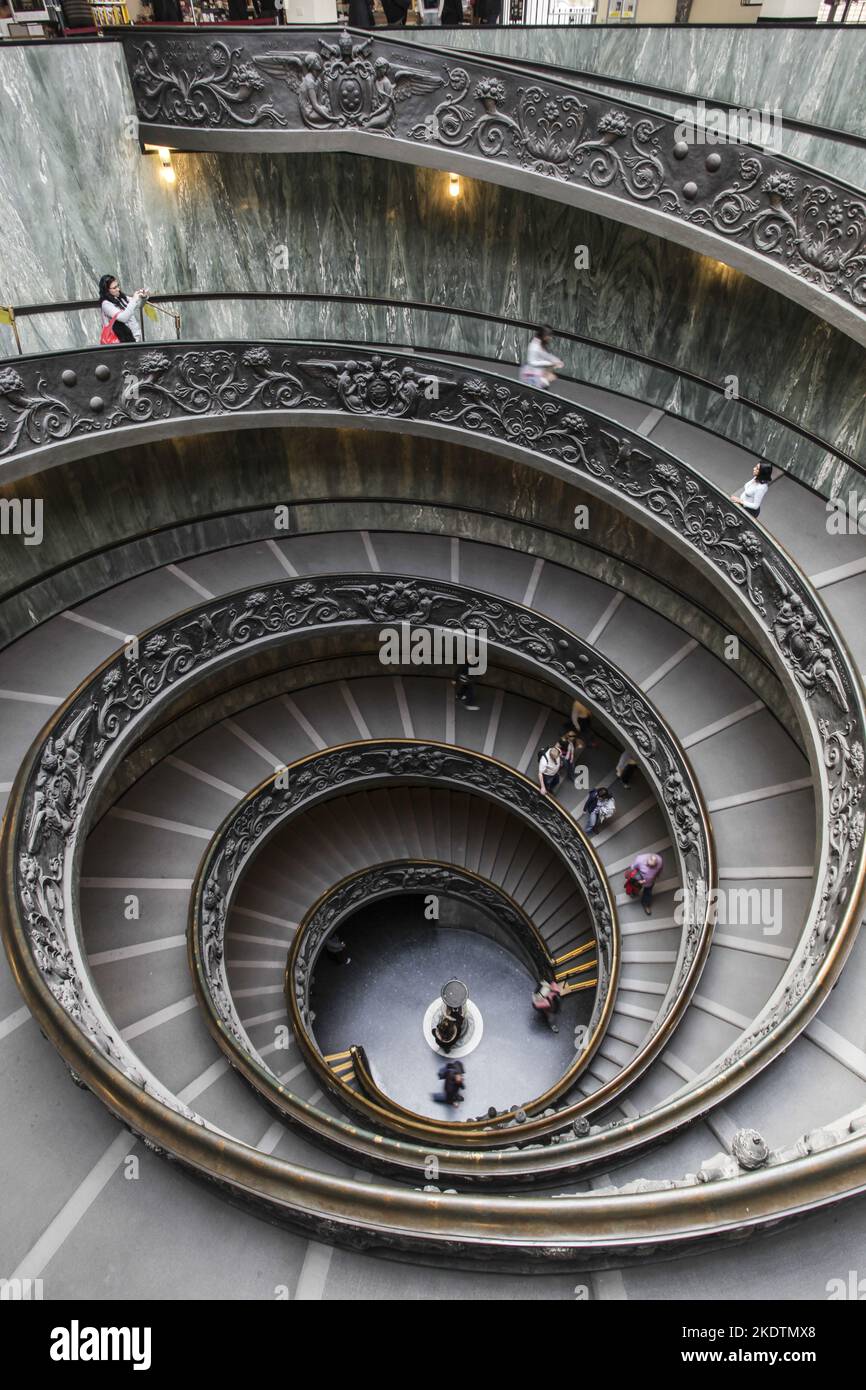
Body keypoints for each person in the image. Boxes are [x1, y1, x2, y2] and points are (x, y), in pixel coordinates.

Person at [98, 275, 148, 345]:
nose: (118, 289)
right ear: (107, 290)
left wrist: (144, 297)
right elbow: (123, 318)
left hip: (132, 339)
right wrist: (134, 300)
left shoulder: (121, 297)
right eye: (114, 288)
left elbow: (139, 305)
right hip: (119, 343)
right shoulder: (106, 304)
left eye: (118, 286)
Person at [628, 851, 664, 916]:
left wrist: (656, 875)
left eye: (652, 867)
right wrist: (638, 880)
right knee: (635, 887)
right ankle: (633, 893)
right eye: (649, 865)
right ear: (647, 860)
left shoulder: (659, 860)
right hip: (639, 879)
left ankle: (646, 904)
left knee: (648, 893)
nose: (650, 868)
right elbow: (632, 869)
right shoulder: (639, 860)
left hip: (650, 882)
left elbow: (660, 868)